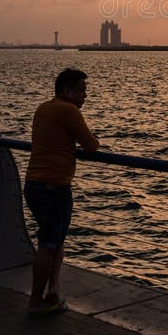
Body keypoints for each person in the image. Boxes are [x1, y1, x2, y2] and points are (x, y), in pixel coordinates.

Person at [24, 67, 99, 314]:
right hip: (54, 187)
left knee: (55, 239)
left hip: (33, 183)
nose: (84, 96)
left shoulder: (42, 108)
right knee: (48, 243)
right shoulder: (69, 110)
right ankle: (36, 301)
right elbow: (90, 146)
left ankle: (53, 290)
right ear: (66, 91)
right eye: (80, 90)